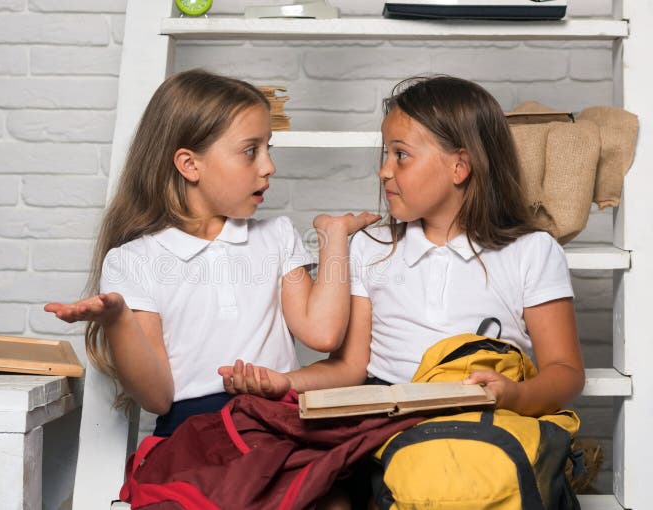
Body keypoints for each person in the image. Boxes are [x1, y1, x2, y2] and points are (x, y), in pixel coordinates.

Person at [220, 75, 585, 420]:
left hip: (483, 427)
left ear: (459, 167)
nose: (384, 171)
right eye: (386, 154)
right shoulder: (370, 247)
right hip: (386, 428)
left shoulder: (532, 252)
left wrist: (516, 396)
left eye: (401, 155)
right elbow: (349, 366)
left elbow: (565, 371)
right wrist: (285, 382)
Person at [44, 68, 379, 437]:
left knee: (329, 489)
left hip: (281, 425)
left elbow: (324, 335)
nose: (269, 166)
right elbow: (156, 398)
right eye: (251, 151)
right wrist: (119, 319)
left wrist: (333, 238)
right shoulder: (132, 261)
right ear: (190, 165)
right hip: (193, 437)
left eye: (269, 148)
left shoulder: (278, 237)